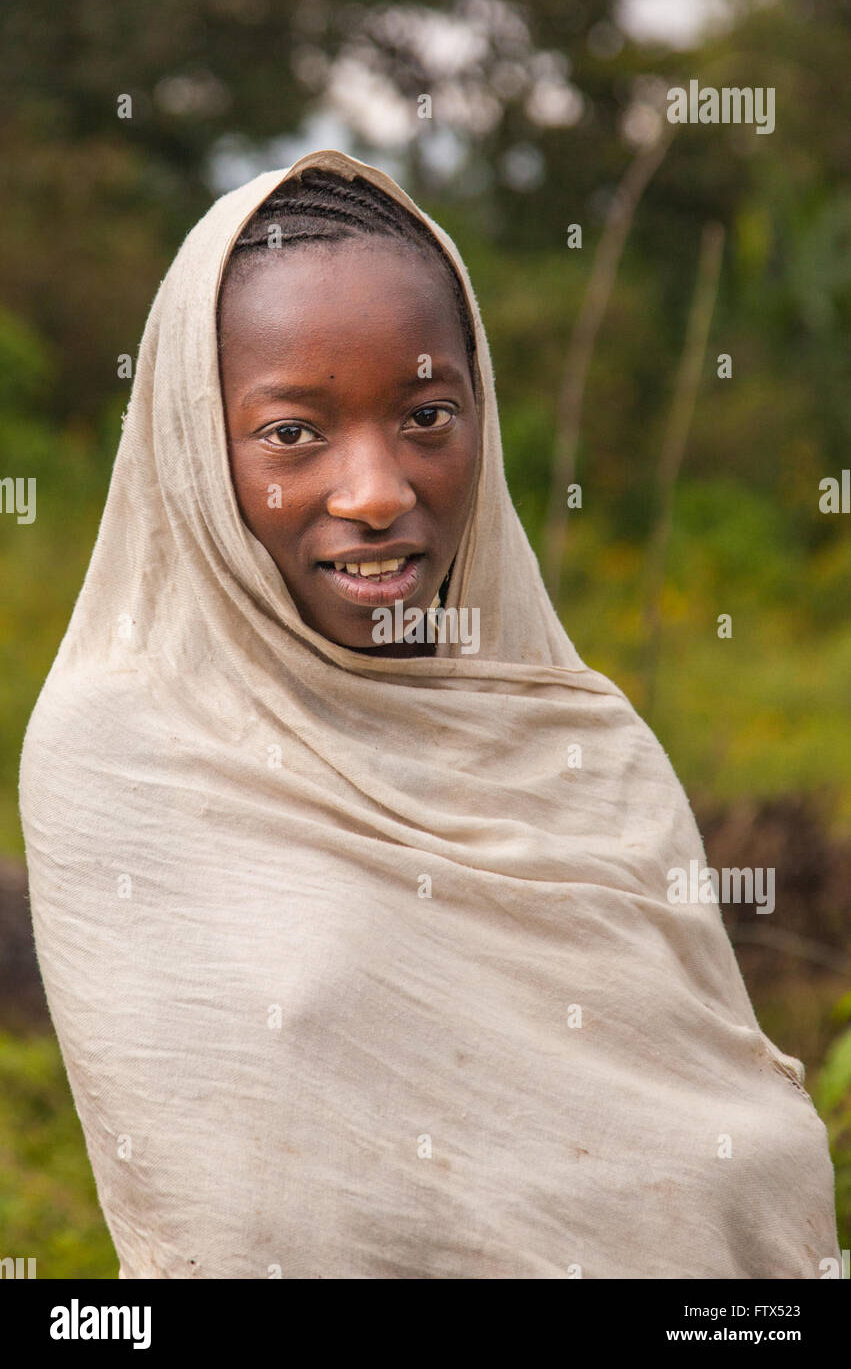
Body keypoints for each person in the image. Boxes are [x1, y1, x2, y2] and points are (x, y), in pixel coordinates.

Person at [19, 149, 839, 1279]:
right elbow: (221, 1196)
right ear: (197, 446)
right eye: (293, 432)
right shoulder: (124, 753)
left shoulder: (580, 745)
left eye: (425, 414)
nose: (375, 493)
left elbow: (714, 1133)